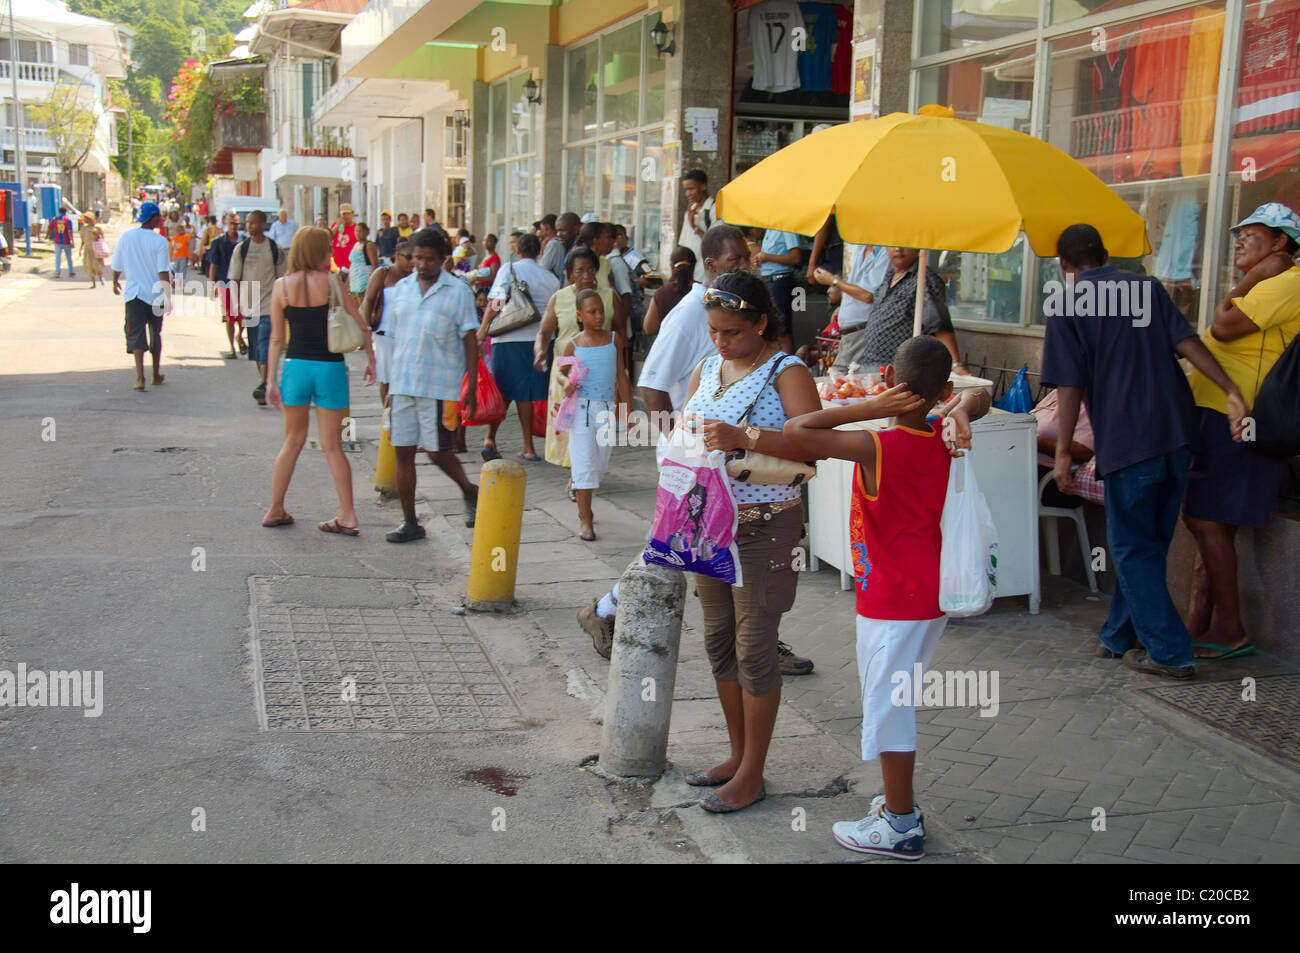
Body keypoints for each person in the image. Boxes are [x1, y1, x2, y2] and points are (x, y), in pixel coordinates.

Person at [784, 335, 989, 858]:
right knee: (896, 700)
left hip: (894, 600)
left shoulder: (876, 444)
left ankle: (899, 824)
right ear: (945, 388)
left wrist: (869, 406)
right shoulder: (947, 432)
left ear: (886, 377)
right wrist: (960, 405)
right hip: (926, 593)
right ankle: (899, 806)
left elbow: (797, 429)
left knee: (891, 708)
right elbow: (981, 397)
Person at [1042, 223, 1247, 680]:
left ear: (1065, 264)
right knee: (1147, 546)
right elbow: (1188, 344)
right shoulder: (1146, 289)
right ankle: (1117, 636)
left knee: (1133, 549)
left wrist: (1061, 456)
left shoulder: (1066, 303)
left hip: (1128, 444)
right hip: (1177, 436)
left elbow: (1070, 385)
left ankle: (1171, 652)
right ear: (1106, 254)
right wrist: (1230, 389)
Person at [666, 269, 822, 813]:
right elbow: (685, 435)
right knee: (718, 641)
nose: (721, 341)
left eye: (732, 332)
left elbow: (813, 448)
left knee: (756, 647)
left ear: (760, 322)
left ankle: (753, 773)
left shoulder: (788, 370)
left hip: (766, 524)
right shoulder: (708, 368)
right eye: (714, 330)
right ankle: (737, 755)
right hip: (709, 524)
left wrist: (744, 437)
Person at [1183, 203, 1300, 661]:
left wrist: (1253, 278)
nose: (1238, 243)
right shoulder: (1276, 281)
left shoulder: (1289, 282)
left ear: (1280, 243)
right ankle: (1200, 622)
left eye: (1250, 234)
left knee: (1204, 519)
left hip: (1241, 419)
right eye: (1237, 235)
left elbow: (1224, 326)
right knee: (1214, 522)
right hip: (1219, 414)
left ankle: (1230, 628)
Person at [263, 226, 376, 535]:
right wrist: (371, 360)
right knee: (333, 447)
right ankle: (348, 514)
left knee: (291, 442)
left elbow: (275, 339)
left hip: (296, 367)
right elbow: (360, 323)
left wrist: (271, 381)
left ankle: (275, 509)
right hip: (330, 368)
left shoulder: (281, 287)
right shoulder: (333, 283)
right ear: (318, 251)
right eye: (326, 247)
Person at [385, 227, 481, 540]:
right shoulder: (400, 290)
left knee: (438, 451)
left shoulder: (458, 291)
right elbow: (391, 338)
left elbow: (470, 339)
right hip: (403, 382)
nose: (422, 265)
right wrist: (386, 381)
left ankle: (469, 490)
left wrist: (471, 387)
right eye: (416, 258)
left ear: (443, 259)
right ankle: (410, 521)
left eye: (428, 259)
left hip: (441, 386)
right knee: (403, 452)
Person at [638, 225, 751, 435]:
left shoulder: (734, 307)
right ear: (711, 265)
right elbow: (651, 387)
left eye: (748, 258)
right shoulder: (690, 313)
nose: (746, 266)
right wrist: (678, 443)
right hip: (692, 455)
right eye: (736, 260)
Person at [557, 290, 631, 541]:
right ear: (580, 315)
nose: (599, 316)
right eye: (592, 312)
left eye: (601, 310)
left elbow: (622, 376)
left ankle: (580, 489)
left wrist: (628, 410)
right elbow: (560, 371)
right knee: (585, 465)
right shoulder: (574, 344)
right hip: (581, 410)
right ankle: (585, 520)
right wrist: (565, 382)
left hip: (606, 410)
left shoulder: (614, 340)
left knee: (599, 465)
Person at [481, 232, 559, 462]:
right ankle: (528, 447)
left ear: (518, 251)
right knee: (524, 394)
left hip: (507, 339)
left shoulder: (509, 269)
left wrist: (483, 327)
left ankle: (490, 438)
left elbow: (496, 301)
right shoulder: (550, 278)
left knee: (502, 392)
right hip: (539, 341)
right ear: (539, 253)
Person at [535, 248, 611, 473]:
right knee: (573, 429)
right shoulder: (559, 298)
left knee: (592, 430)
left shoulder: (608, 297)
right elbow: (544, 333)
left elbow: (619, 337)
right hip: (567, 375)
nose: (586, 275)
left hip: (597, 376)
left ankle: (580, 478)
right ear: (569, 274)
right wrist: (540, 352)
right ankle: (578, 477)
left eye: (590, 269)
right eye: (580, 271)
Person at [109, 201, 170, 391]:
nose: (160, 219)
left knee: (136, 335)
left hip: (134, 295)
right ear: (152, 218)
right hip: (155, 295)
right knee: (155, 334)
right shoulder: (160, 241)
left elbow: (116, 264)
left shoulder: (126, 237)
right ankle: (156, 374)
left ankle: (140, 378)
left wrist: (115, 281)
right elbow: (163, 271)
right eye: (158, 216)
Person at [229, 210, 288, 406]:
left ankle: (265, 382)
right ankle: (265, 382)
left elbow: (283, 278)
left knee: (264, 343)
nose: (249, 226)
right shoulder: (241, 249)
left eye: (253, 223)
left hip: (270, 305)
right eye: (247, 223)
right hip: (249, 306)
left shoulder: (274, 249)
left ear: (263, 224)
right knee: (255, 347)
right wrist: (235, 305)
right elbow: (234, 279)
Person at [361, 241, 414, 406]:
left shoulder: (415, 278)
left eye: (415, 258)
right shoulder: (383, 273)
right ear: (397, 256)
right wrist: (366, 329)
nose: (412, 262)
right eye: (408, 257)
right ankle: (387, 415)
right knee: (386, 379)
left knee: (406, 379)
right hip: (385, 334)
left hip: (408, 336)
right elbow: (368, 301)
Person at [753, 228, 803, 354]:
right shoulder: (769, 230)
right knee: (773, 329)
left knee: (782, 330)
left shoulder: (786, 228)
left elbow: (796, 258)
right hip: (768, 280)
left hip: (780, 280)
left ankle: (788, 365)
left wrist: (767, 257)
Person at [208, 215, 247, 358]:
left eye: (236, 224)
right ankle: (232, 348)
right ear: (225, 223)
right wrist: (213, 285)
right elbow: (214, 265)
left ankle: (240, 336)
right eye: (231, 223)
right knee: (230, 317)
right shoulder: (218, 242)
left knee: (244, 316)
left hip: (243, 283)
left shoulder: (244, 241)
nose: (234, 226)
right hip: (225, 283)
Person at [642, 246, 698, 337]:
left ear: (671, 266)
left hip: (668, 347)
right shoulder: (702, 292)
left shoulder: (661, 294)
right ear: (694, 266)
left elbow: (649, 329)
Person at [679, 170, 715, 282]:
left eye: (691, 189)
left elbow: (715, 243)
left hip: (704, 273)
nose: (688, 194)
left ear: (703, 186)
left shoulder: (714, 209)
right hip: (689, 273)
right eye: (686, 190)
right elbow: (683, 243)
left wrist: (694, 226)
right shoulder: (690, 210)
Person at [542, 211, 579, 280]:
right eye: (557, 231)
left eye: (562, 230)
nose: (558, 234)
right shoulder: (566, 247)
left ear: (575, 229)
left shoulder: (578, 250)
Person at [348, 222, 379, 300]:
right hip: (354, 279)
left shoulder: (369, 245)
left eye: (360, 231)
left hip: (364, 278)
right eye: (356, 231)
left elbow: (374, 265)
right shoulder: (356, 245)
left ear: (366, 232)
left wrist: (370, 283)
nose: (357, 233)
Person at [79, 213, 105, 289]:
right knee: (89, 266)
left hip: (96, 249)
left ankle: (101, 277)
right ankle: (93, 283)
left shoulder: (97, 228)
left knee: (97, 265)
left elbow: (102, 237)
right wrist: (80, 249)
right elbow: (83, 240)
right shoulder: (84, 228)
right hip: (87, 250)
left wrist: (98, 237)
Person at [49, 206, 76, 279]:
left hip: (57, 241)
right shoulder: (67, 220)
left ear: (59, 212)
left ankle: (57, 272)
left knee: (57, 257)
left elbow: (50, 228)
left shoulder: (54, 219)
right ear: (65, 212)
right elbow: (70, 231)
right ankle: (71, 272)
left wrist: (47, 237)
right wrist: (72, 240)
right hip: (66, 241)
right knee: (69, 257)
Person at [330, 203, 357, 277]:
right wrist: (337, 226)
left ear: (352, 214)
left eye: (348, 213)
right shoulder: (337, 225)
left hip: (350, 265)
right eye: (344, 214)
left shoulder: (356, 228)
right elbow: (328, 237)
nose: (346, 216)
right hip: (335, 265)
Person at [167, 217, 192, 292]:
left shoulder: (181, 237)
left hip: (181, 257)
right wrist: (170, 257)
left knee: (179, 271)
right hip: (179, 257)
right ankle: (177, 284)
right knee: (179, 271)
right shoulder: (178, 238)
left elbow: (192, 236)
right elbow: (171, 248)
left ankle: (177, 284)